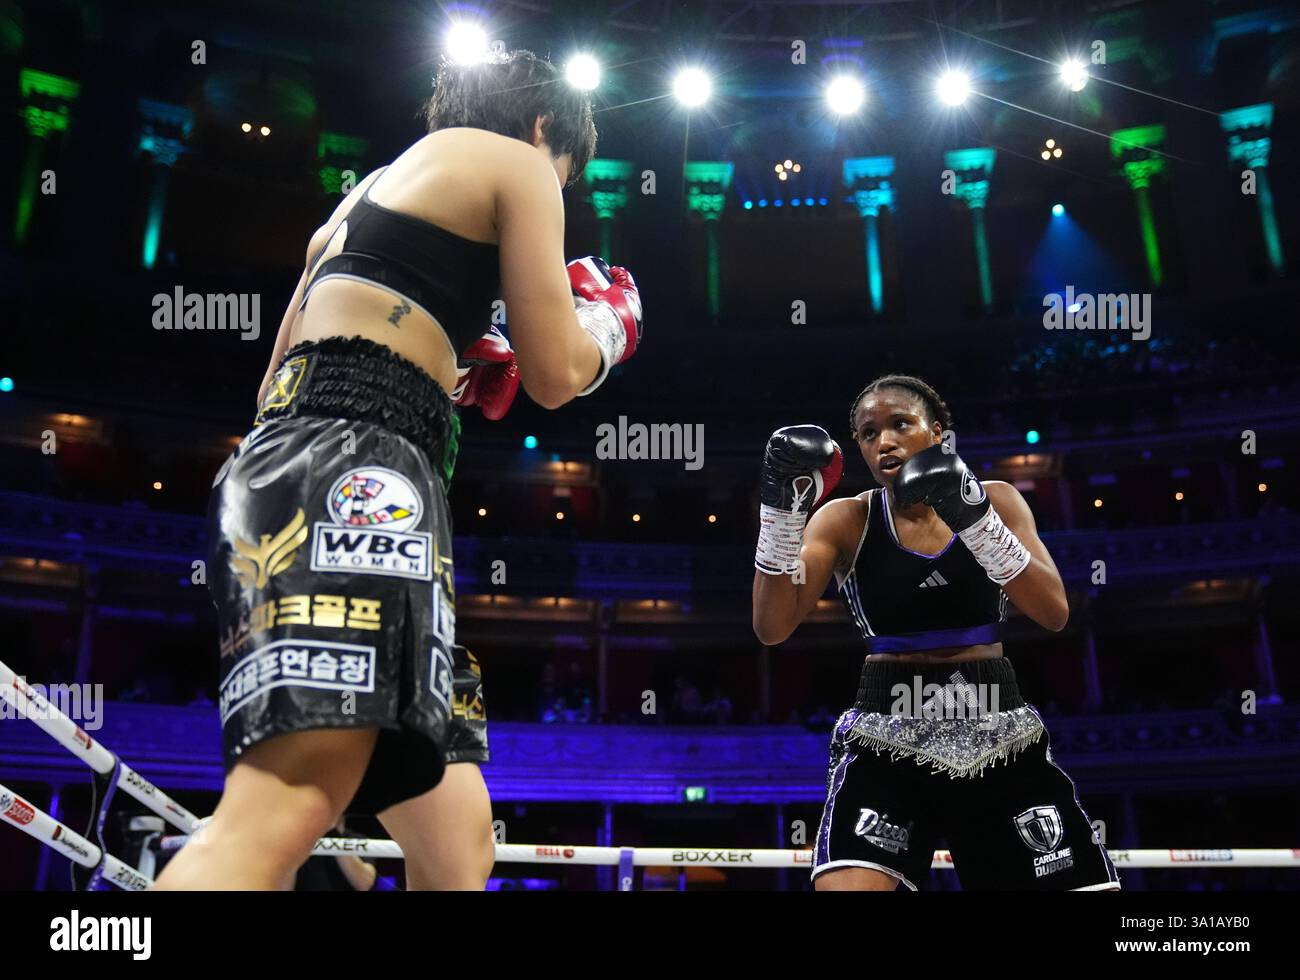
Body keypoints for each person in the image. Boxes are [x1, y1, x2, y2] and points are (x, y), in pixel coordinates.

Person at [154, 49, 643, 890]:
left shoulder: (361, 200)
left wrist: (449, 369)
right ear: (543, 128)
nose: (555, 188)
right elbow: (558, 372)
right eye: (566, 172)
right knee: (286, 800)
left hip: (321, 466)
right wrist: (606, 332)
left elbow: (281, 386)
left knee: (457, 849)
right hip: (359, 473)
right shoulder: (519, 161)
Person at [752, 374, 1118, 891]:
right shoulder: (846, 519)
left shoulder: (998, 500)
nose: (884, 441)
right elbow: (772, 626)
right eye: (868, 433)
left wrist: (973, 519)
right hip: (887, 731)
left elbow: (1053, 610)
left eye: (900, 424)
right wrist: (780, 516)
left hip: (997, 726)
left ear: (939, 433)